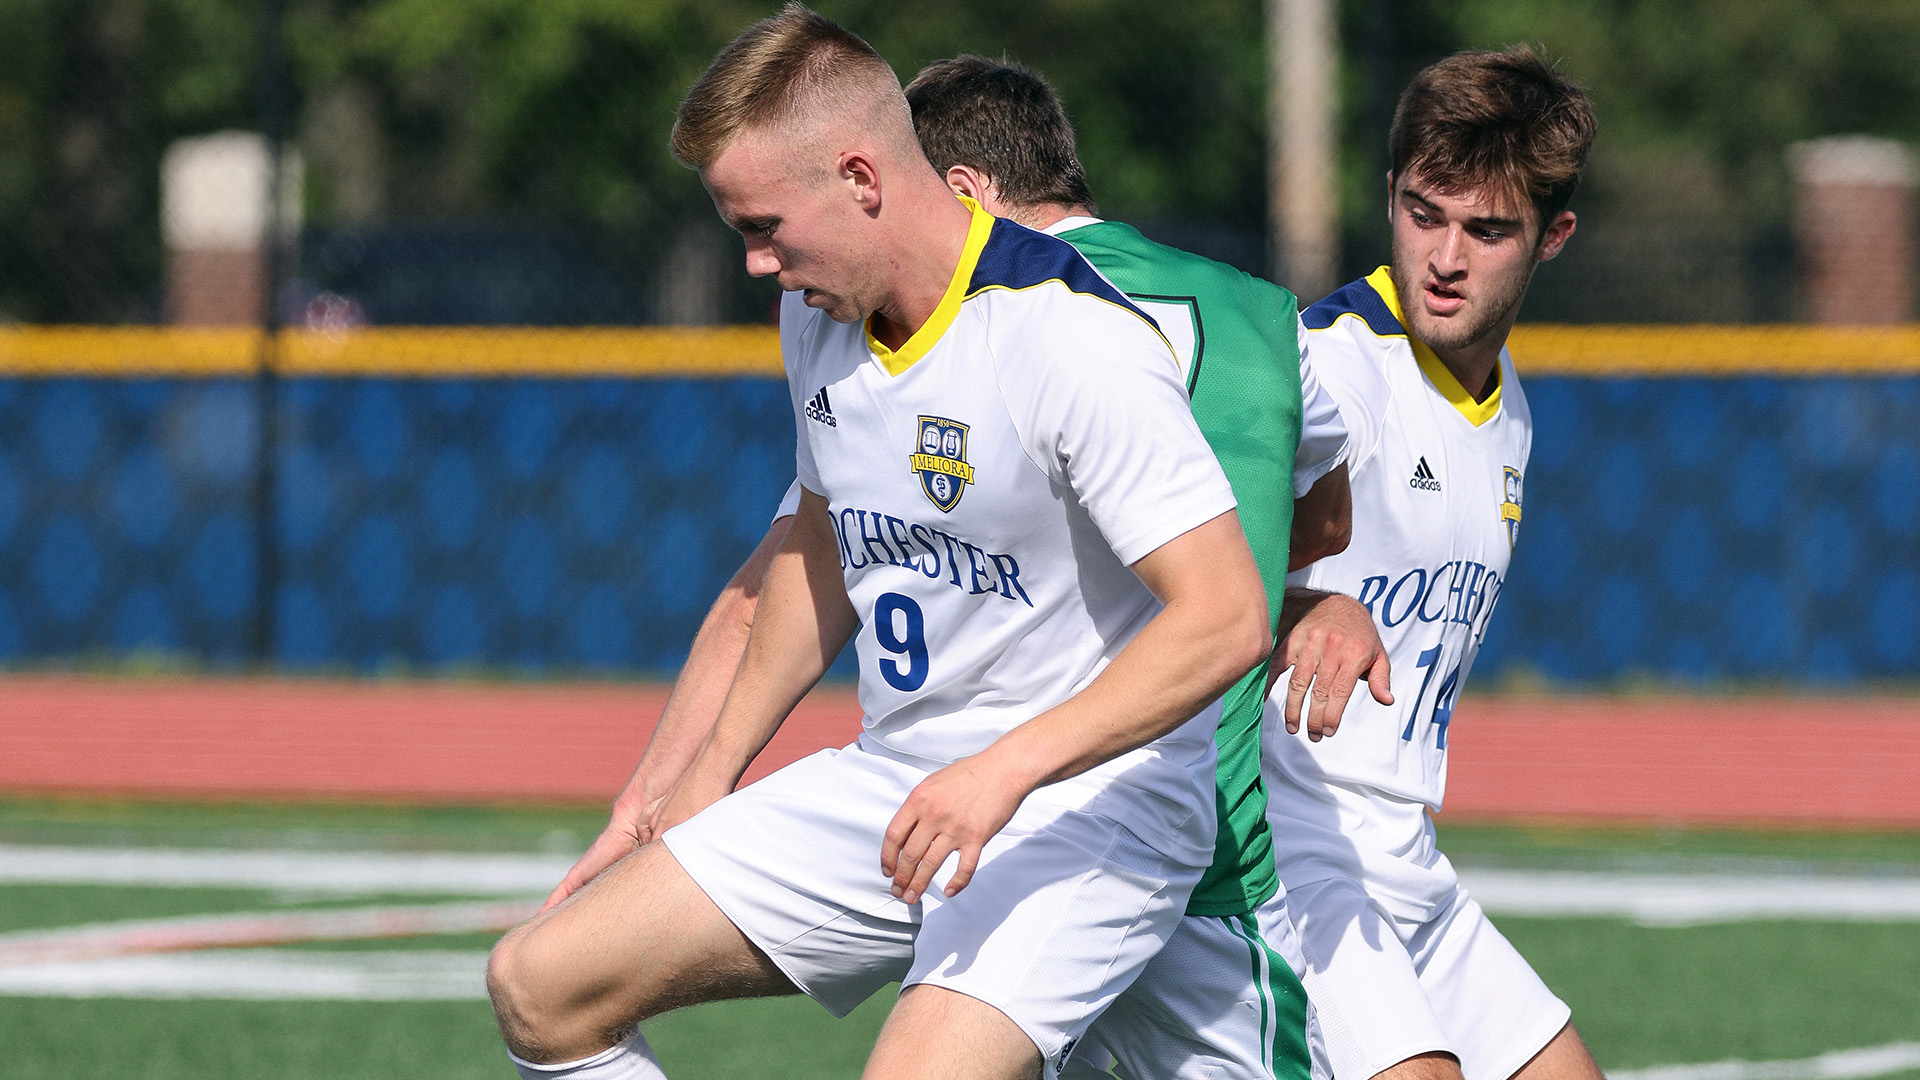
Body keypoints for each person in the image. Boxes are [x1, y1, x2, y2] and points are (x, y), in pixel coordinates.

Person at [486, 8, 1275, 1080]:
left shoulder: (1068, 340)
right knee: (541, 985)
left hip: (1096, 810)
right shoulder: (820, 313)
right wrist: (696, 786)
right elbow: (820, 548)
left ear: (862, 177)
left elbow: (1226, 617)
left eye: (764, 226)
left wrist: (1004, 771)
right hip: (901, 781)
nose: (759, 264)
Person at [901, 55, 1385, 1080]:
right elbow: (1325, 518)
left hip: (1007, 825)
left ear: (962, 192)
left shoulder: (956, 319)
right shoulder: (1259, 310)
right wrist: (1263, 585)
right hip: (1201, 831)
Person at [1265, 46, 1605, 1080]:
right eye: (1424, 214)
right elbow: (1146, 570)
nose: (1445, 257)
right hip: (1291, 848)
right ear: (1390, 197)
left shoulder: (1514, 412)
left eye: (1486, 230)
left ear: (1554, 237)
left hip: (1404, 858)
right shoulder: (1328, 370)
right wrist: (1300, 608)